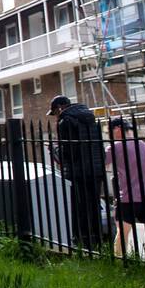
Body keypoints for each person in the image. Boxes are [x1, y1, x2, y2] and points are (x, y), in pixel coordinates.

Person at [49, 94, 108, 252]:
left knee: (79, 207)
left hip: (78, 171)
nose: (55, 117)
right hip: (96, 171)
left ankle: (83, 242)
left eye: (55, 112)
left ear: (60, 108)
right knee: (94, 205)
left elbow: (69, 152)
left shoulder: (65, 121)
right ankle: (98, 241)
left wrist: (55, 150)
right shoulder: (91, 118)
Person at [104, 117, 145, 260]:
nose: (109, 135)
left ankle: (120, 261)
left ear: (117, 129)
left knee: (122, 235)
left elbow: (102, 164)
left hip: (127, 197)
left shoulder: (116, 147)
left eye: (109, 131)